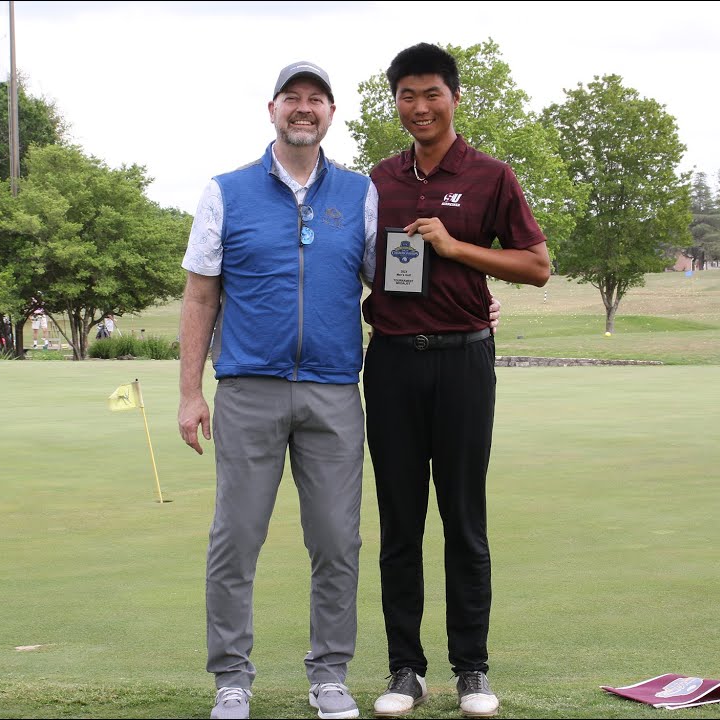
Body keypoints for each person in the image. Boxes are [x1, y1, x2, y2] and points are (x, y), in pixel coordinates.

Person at [177, 61, 376, 720]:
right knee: (235, 539)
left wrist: (472, 304)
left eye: (316, 99)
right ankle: (231, 678)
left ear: (330, 114)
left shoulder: (360, 193)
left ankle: (330, 675)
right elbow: (201, 294)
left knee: (336, 542)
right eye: (293, 98)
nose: (304, 108)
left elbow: (398, 284)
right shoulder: (225, 192)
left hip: (333, 393)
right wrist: (189, 392)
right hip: (247, 390)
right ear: (272, 110)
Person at [362, 43, 551, 719]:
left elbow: (536, 266)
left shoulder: (491, 176)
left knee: (464, 520)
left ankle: (472, 669)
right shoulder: (376, 181)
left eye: (431, 93)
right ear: (397, 103)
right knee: (399, 524)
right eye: (407, 95)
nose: (419, 107)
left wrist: (456, 249)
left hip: (465, 360)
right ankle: (404, 670)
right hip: (390, 363)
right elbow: (360, 263)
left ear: (455, 97)